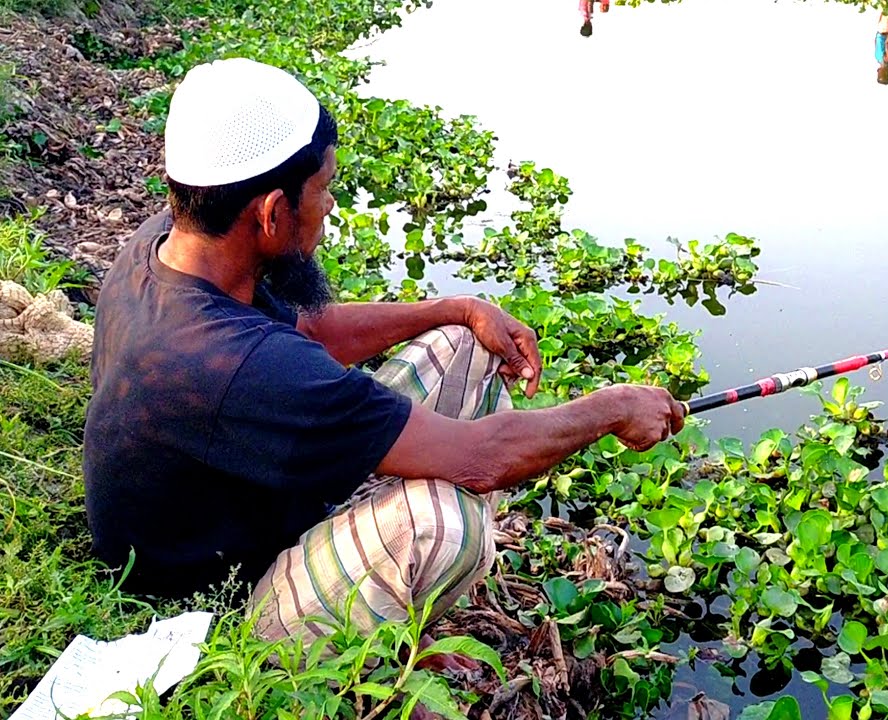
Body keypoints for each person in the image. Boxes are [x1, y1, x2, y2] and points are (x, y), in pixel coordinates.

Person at [82, 57, 684, 653]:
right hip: (213, 598)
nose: (331, 208)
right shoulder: (239, 363)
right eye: (324, 191)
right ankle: (367, 633)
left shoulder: (175, 245)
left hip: (231, 504)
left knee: (463, 346)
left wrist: (453, 308)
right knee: (445, 525)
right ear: (269, 213)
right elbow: (481, 461)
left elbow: (313, 334)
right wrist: (611, 407)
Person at [875, 11, 888, 85]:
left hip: (884, 30)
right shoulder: (878, 58)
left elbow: (886, 44)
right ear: (878, 70)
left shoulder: (883, 59)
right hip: (882, 31)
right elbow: (884, 44)